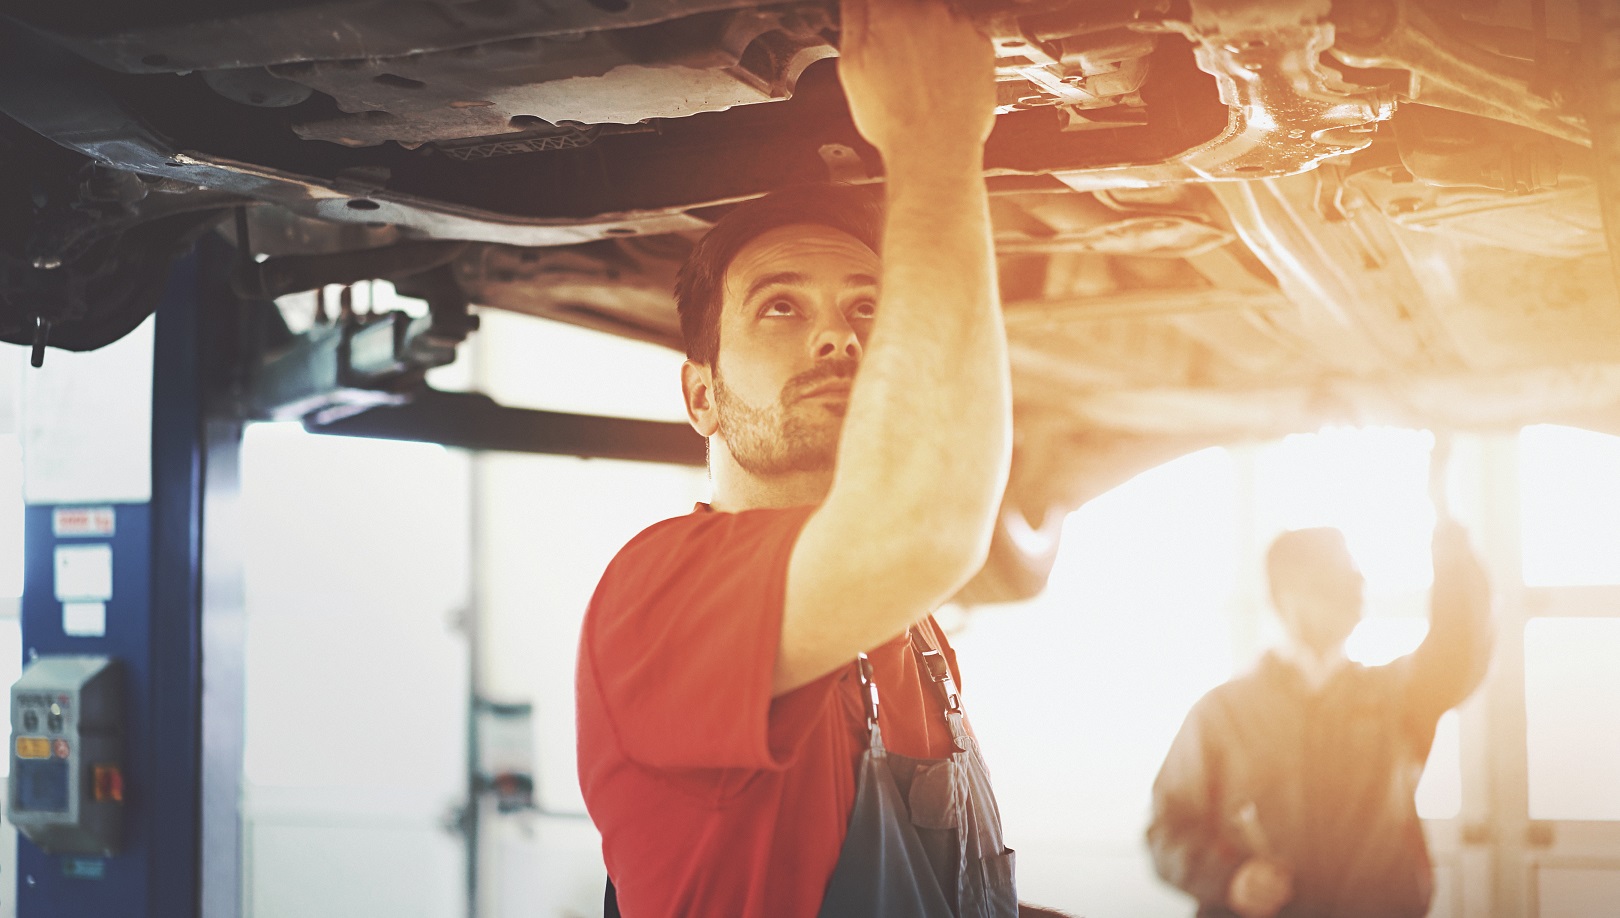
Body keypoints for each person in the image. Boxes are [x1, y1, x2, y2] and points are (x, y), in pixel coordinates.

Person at [575, 2, 1066, 916]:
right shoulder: (660, 598)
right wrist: (935, 142)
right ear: (700, 397)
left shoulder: (908, 628)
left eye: (868, 310)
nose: (838, 339)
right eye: (781, 308)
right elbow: (920, 523)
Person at [1146, 522, 1493, 918]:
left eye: (1356, 575)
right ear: (1286, 598)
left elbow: (1459, 650)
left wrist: (1450, 550)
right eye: (1336, 576)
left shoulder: (1396, 696)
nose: (1357, 585)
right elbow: (1168, 827)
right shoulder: (1222, 713)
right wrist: (1229, 879)